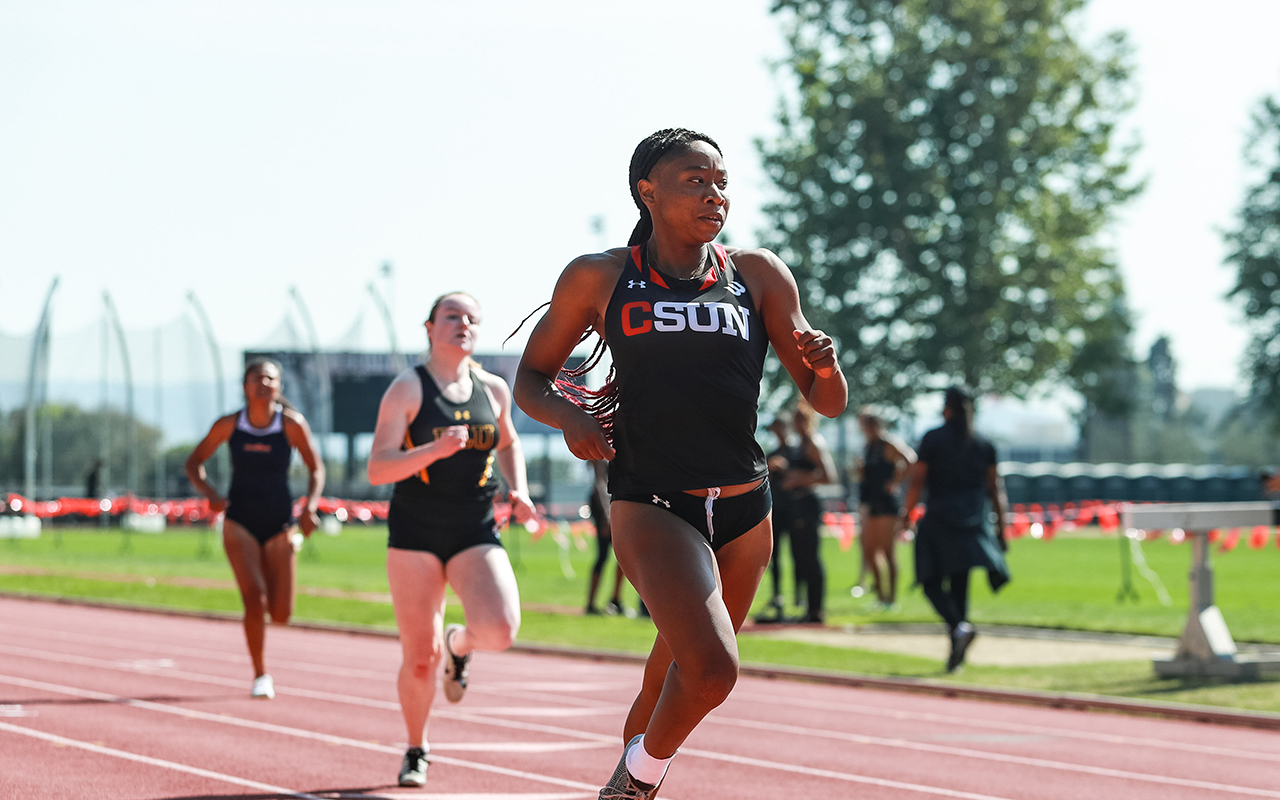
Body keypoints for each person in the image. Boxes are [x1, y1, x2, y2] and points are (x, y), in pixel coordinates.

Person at [514, 128, 847, 800]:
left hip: (747, 507)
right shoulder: (601, 276)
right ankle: (636, 784)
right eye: (695, 179)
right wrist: (571, 419)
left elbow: (827, 402)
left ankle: (632, 774)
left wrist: (826, 366)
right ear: (648, 190)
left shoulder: (756, 274)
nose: (714, 193)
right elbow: (531, 379)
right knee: (713, 671)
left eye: (721, 181)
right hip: (654, 501)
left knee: (669, 673)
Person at [367, 292, 536, 790]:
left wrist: (519, 490)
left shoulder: (493, 388)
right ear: (429, 327)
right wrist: (433, 450)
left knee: (502, 629)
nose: (462, 324)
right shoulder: (407, 389)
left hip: (474, 526)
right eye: (451, 317)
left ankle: (459, 644)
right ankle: (417, 747)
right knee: (420, 659)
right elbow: (378, 467)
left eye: (471, 319)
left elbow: (508, 442)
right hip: (416, 533)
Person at [185, 359, 325, 700]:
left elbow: (315, 468)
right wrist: (212, 496)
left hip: (279, 523)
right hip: (239, 523)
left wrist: (310, 505)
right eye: (257, 377)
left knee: (280, 613)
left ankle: (294, 545)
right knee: (254, 599)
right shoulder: (230, 424)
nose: (263, 382)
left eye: (270, 378)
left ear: (278, 387)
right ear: (245, 386)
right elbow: (194, 463)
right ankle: (261, 674)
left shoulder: (291, 425)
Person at [900, 386, 1011, 673]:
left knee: (929, 581)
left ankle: (958, 631)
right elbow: (995, 488)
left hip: (939, 519)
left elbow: (917, 481)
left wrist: (908, 514)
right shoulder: (983, 443)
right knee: (960, 588)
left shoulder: (933, 438)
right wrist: (1001, 526)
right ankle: (958, 650)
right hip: (972, 521)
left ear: (946, 408)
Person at [780, 400, 836, 623]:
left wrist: (798, 479)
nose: (797, 425)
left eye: (800, 420)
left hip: (807, 505)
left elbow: (828, 476)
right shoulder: (798, 444)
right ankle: (807, 607)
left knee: (810, 556)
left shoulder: (813, 442)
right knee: (799, 556)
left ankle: (816, 609)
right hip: (795, 506)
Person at [856, 406, 916, 609]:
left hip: (886, 504)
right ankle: (880, 596)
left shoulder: (888, 443)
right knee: (870, 550)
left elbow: (910, 460)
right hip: (871, 502)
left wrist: (896, 482)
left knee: (888, 551)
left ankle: (891, 599)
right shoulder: (868, 446)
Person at [755, 417, 793, 623]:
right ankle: (778, 598)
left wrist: (789, 472)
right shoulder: (771, 454)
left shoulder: (797, 451)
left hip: (795, 510)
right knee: (774, 558)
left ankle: (800, 600)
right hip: (775, 509)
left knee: (800, 557)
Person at [585, 459, 628, 615]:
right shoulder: (602, 453)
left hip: (610, 503)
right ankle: (595, 603)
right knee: (605, 556)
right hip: (605, 506)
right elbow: (599, 483)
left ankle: (615, 599)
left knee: (622, 558)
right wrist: (606, 517)